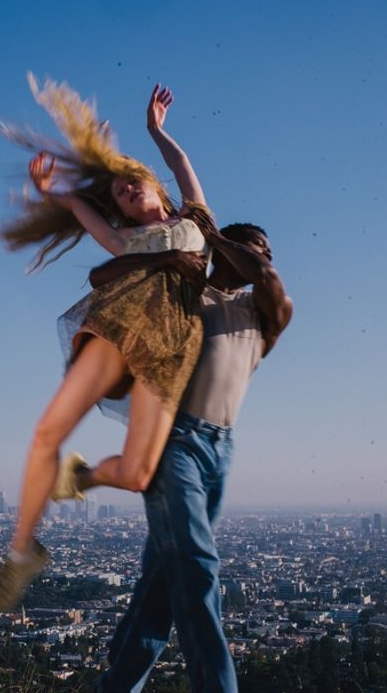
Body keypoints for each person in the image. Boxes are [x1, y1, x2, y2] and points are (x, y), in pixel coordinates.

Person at [0, 77, 218, 612]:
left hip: (173, 348)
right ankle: (21, 551)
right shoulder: (125, 240)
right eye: (117, 193)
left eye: (131, 182)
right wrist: (55, 195)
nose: (125, 191)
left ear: (152, 186)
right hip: (123, 326)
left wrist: (156, 132)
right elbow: (79, 210)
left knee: (139, 475)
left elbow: (183, 166)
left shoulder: (196, 219)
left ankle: (81, 476)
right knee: (48, 430)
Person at [90, 125, 294, 690]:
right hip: (172, 441)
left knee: (161, 590)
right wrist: (186, 236)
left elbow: (268, 275)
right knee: (199, 568)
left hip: (219, 452)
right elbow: (110, 269)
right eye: (252, 246)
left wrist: (217, 236)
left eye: (261, 251)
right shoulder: (187, 294)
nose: (261, 258)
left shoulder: (268, 313)